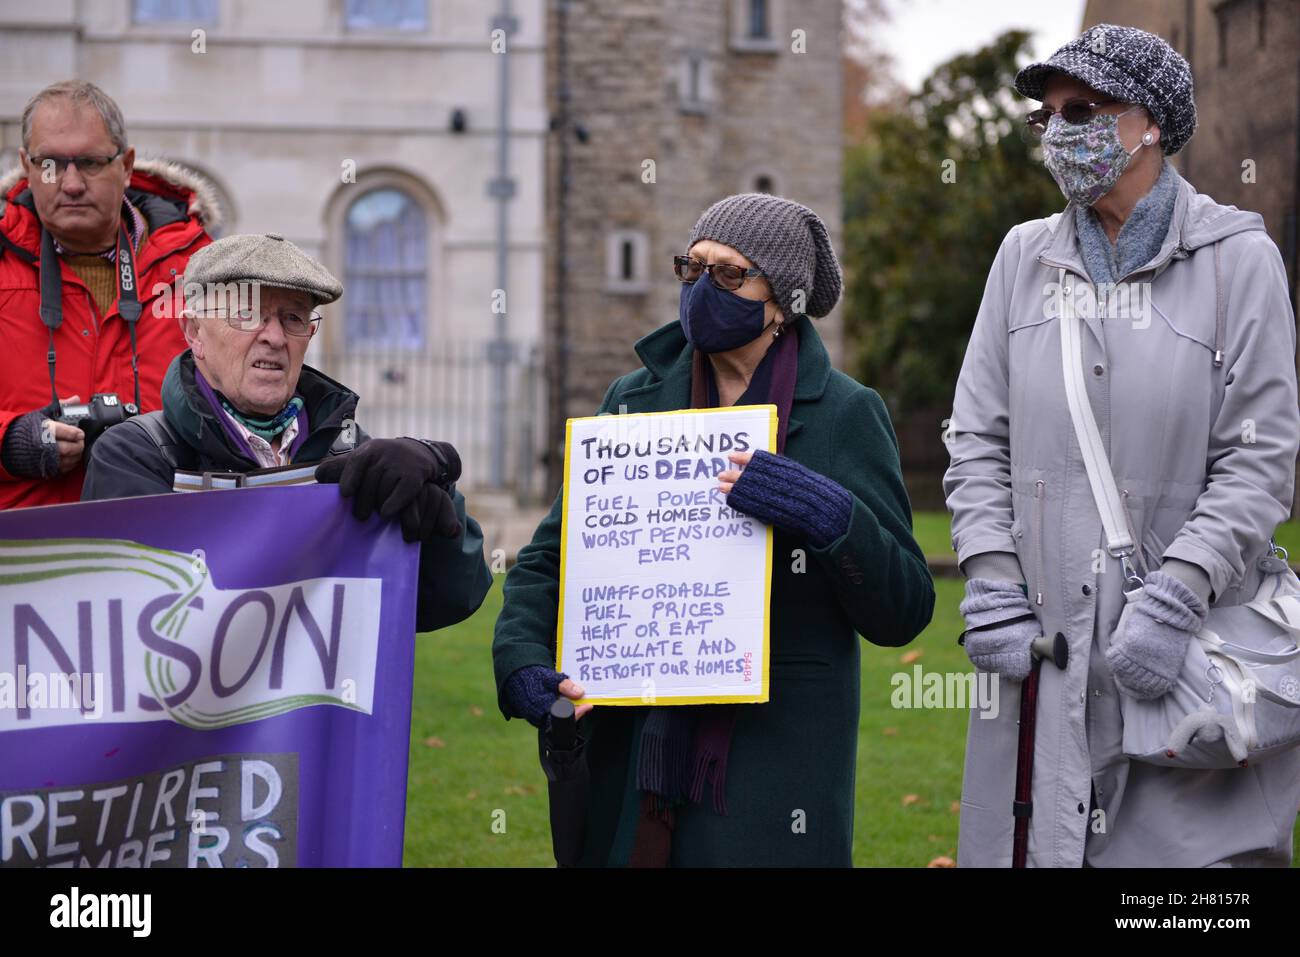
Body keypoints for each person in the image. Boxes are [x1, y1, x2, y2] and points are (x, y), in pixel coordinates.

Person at [944, 24, 1300, 867]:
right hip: (1039, 652)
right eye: (1050, 115)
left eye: (1087, 108)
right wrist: (991, 576)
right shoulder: (1020, 259)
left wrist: (1178, 593)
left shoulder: (1239, 262)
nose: (1062, 129)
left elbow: (1258, 458)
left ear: (1153, 124)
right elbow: (975, 436)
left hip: (1182, 660)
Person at [493, 193, 935, 866]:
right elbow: (549, 561)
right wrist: (523, 659)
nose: (703, 288)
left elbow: (904, 607)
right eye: (691, 267)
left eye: (730, 274)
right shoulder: (631, 399)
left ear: (783, 299)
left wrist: (827, 513)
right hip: (633, 754)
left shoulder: (847, 413)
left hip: (775, 772)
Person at [82, 232, 493, 634]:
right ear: (194, 332)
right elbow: (134, 619)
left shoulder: (346, 447)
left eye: (293, 317)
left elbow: (451, 596)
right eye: (246, 314)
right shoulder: (138, 453)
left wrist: (433, 477)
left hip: (327, 705)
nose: (274, 337)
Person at [0, 80, 219, 509]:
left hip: (164, 556)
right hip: (20, 559)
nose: (72, 183)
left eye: (91, 162)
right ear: (26, 165)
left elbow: (254, 410)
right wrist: (12, 441)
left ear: (127, 164)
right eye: (50, 163)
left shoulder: (202, 267)